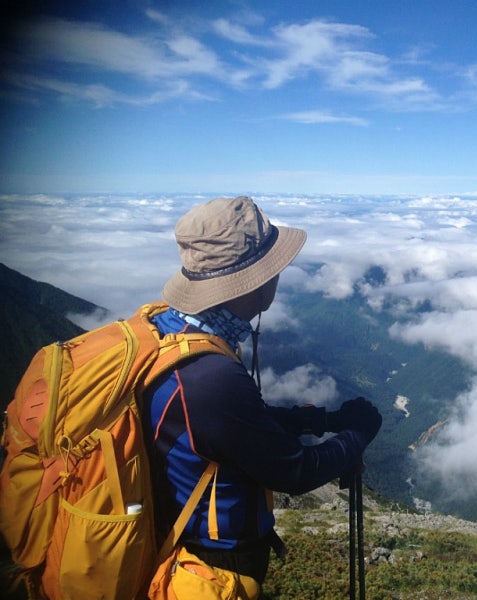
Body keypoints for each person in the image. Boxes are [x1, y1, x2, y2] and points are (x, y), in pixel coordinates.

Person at [143, 196, 381, 593]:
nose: (279, 276)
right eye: (273, 268)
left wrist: (323, 421)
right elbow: (294, 472)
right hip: (212, 569)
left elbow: (233, 424)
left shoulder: (170, 331)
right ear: (251, 281)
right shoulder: (210, 375)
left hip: (175, 543)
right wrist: (359, 434)